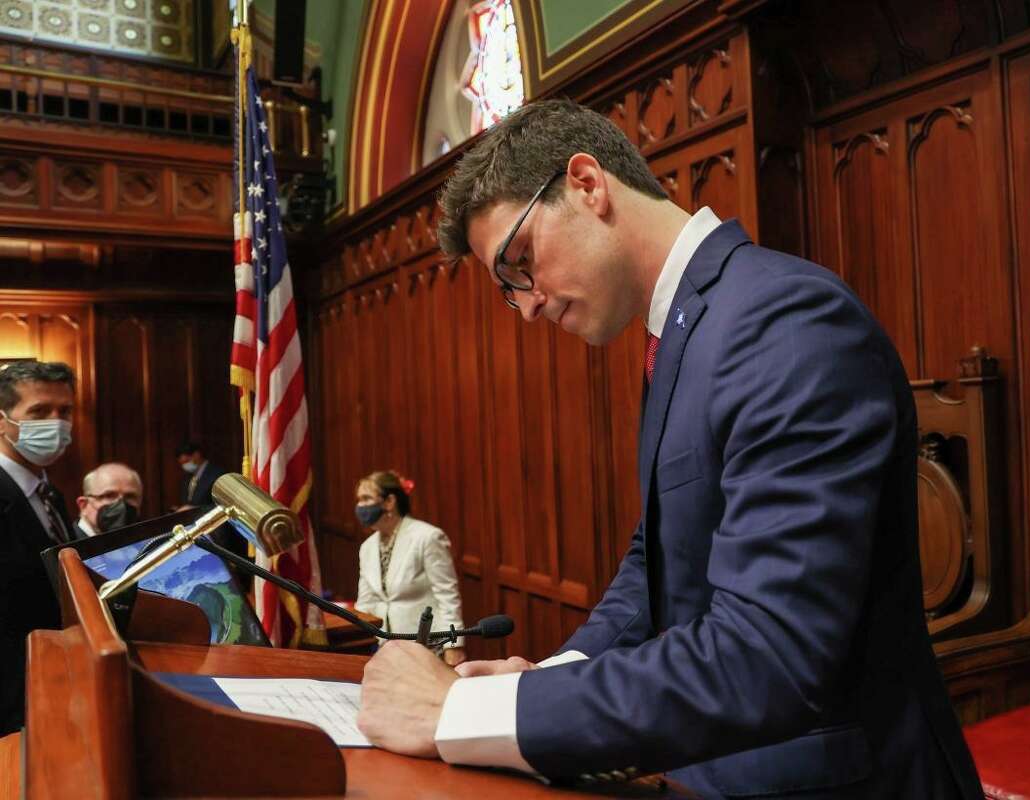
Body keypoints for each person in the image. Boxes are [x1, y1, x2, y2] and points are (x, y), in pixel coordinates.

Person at [355, 99, 983, 798]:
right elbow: (660, 554)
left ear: (588, 184)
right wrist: (555, 676)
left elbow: (766, 657)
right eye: (509, 291)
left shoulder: (783, 320)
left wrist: (460, 712)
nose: (527, 306)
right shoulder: (687, 329)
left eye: (521, 261)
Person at [0, 361, 76, 736]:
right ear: (2, 421)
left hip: (55, 689)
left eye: (65, 411)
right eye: (39, 412)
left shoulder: (50, 494)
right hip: (11, 706)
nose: (56, 423)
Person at [354, 471, 465, 667]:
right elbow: (366, 602)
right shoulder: (368, 547)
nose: (360, 506)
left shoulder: (427, 537)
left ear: (389, 502)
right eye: (359, 500)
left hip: (426, 646)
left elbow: (447, 596)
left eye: (366, 499)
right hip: (385, 649)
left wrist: (454, 646)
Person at [74, 462, 142, 539]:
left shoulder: (143, 540)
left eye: (130, 497)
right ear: (83, 505)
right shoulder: (66, 547)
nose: (122, 505)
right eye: (109, 496)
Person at [176, 440, 219, 510]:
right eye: (182, 463)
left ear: (196, 455)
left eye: (186, 461)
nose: (184, 465)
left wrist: (195, 509)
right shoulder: (187, 477)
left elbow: (222, 505)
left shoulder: (216, 474)